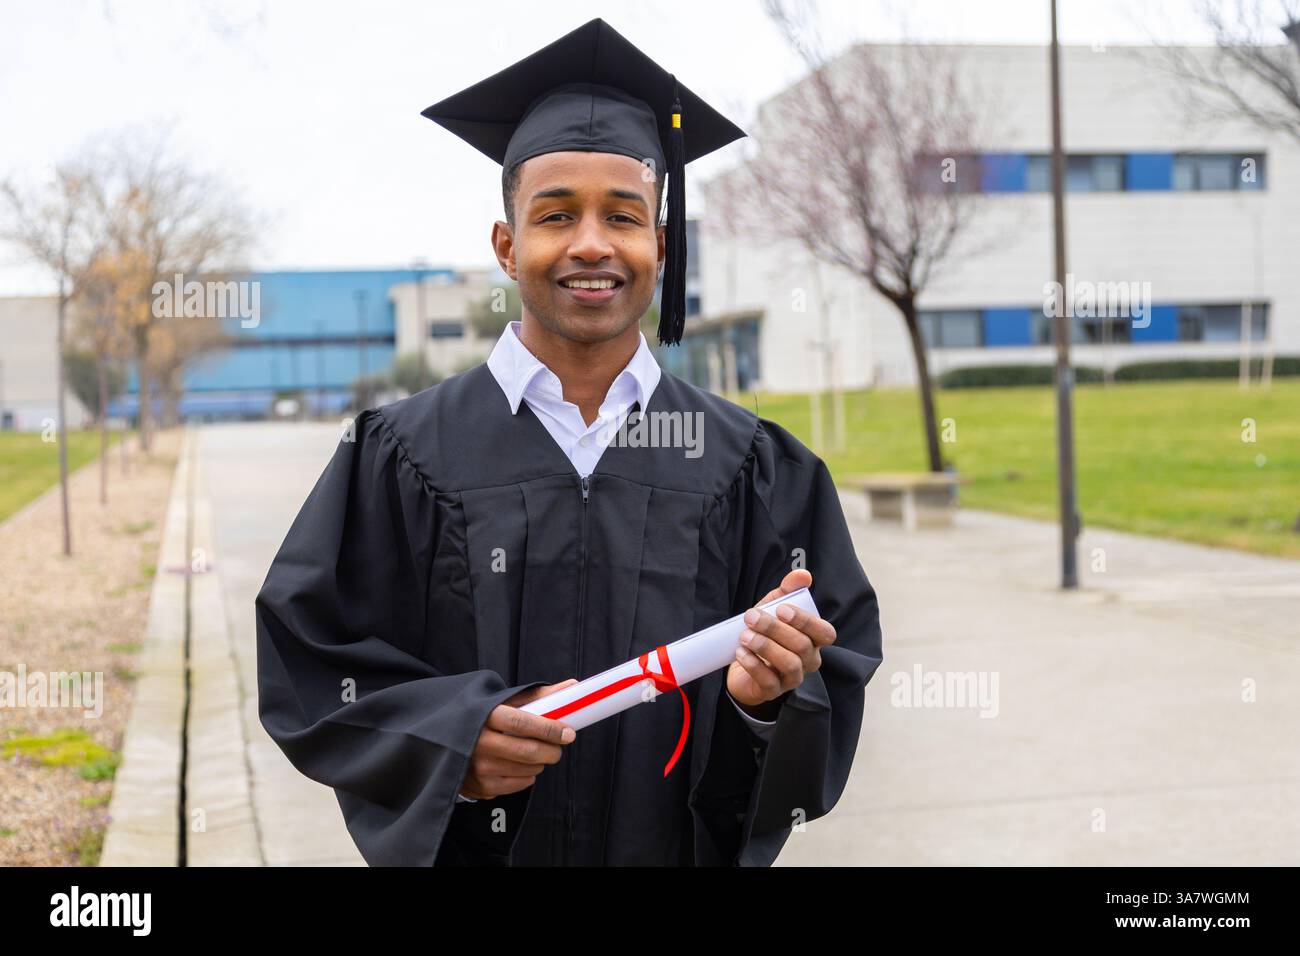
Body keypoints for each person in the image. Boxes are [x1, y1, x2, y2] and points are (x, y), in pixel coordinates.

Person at [255, 17, 883, 867]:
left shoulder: (752, 465)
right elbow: (310, 656)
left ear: (660, 246)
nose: (592, 243)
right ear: (508, 247)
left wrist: (763, 703)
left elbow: (832, 671)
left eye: (623, 216)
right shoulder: (400, 454)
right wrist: (451, 742)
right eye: (556, 216)